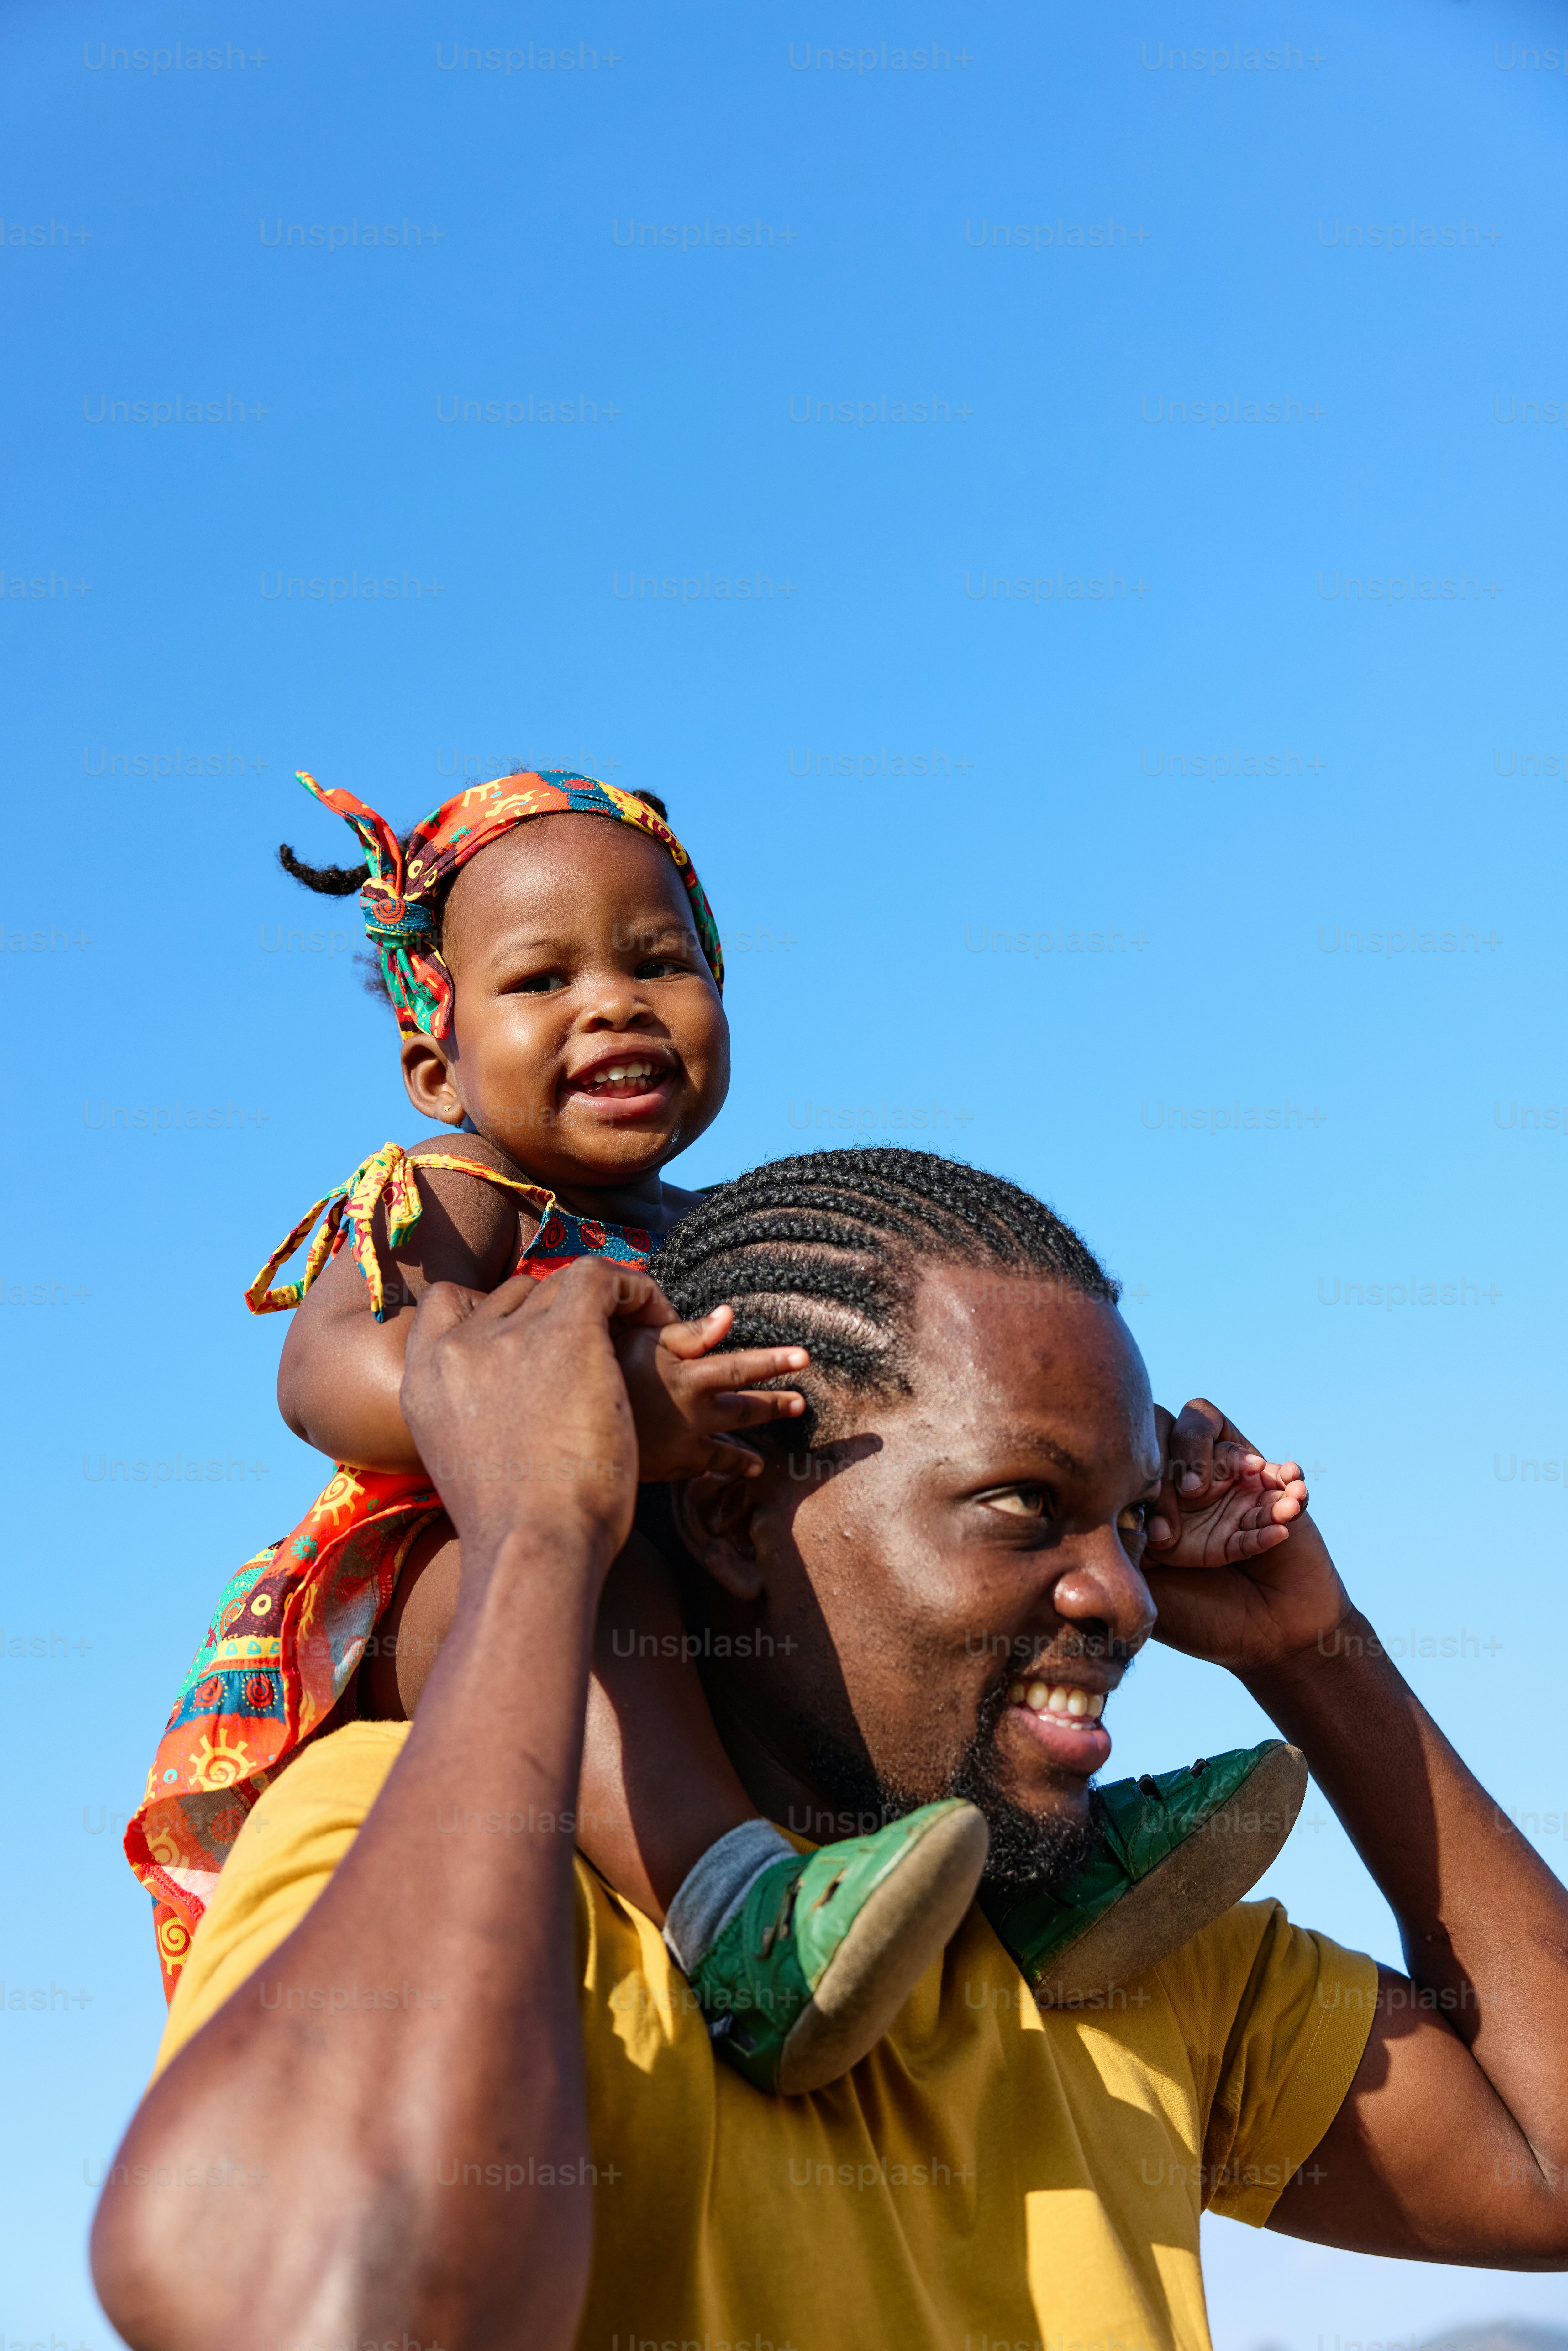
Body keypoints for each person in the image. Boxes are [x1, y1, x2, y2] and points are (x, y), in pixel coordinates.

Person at [93, 1151, 1568, 2351]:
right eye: (1024, 1505)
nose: (1122, 1596)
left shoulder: (1124, 1962)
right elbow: (300, 2308)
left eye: (1128, 1522)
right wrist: (539, 1532)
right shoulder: (454, 1875)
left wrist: (1318, 1656)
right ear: (734, 1519)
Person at [126, 774, 1286, 2092]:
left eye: (658, 962)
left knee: (857, 1555)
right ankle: (736, 1922)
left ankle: (1024, 1879)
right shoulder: (460, 1192)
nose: (612, 1003)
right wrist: (583, 1414)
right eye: (543, 979)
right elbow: (321, 1372)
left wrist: (1138, 1469)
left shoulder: (728, 1229)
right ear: (437, 1067)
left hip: (661, 1558)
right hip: (452, 1567)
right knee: (607, 1550)